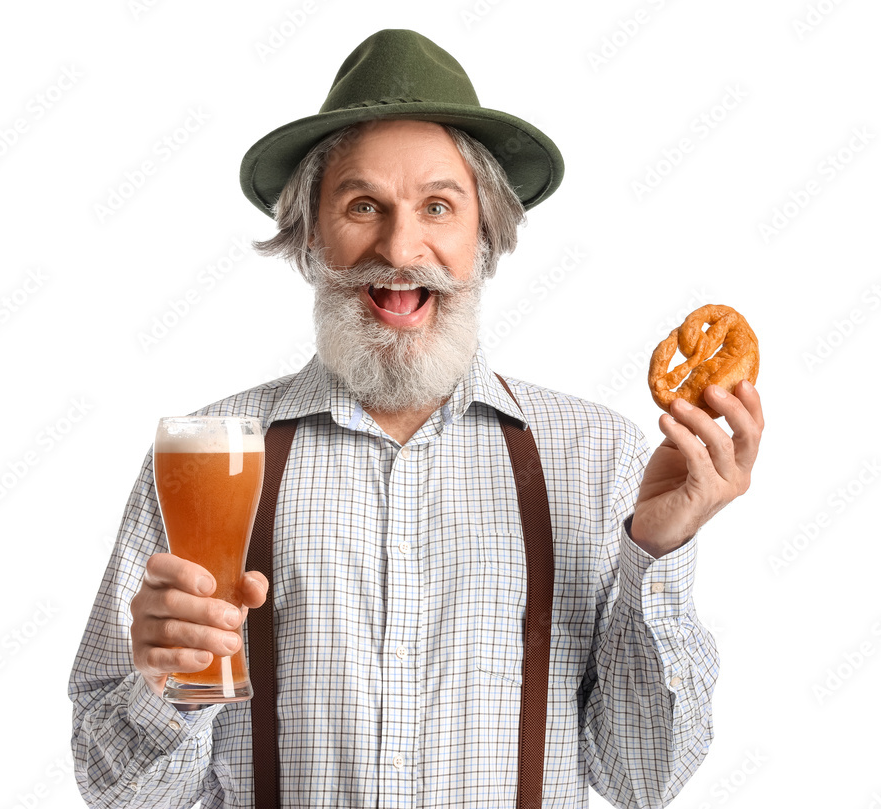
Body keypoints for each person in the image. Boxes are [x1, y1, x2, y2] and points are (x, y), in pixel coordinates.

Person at [69, 29, 763, 809]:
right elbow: (120, 793)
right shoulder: (208, 457)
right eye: (363, 205)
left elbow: (645, 777)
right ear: (310, 234)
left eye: (438, 205)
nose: (402, 248)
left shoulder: (598, 457)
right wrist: (172, 686)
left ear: (484, 232)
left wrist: (658, 549)